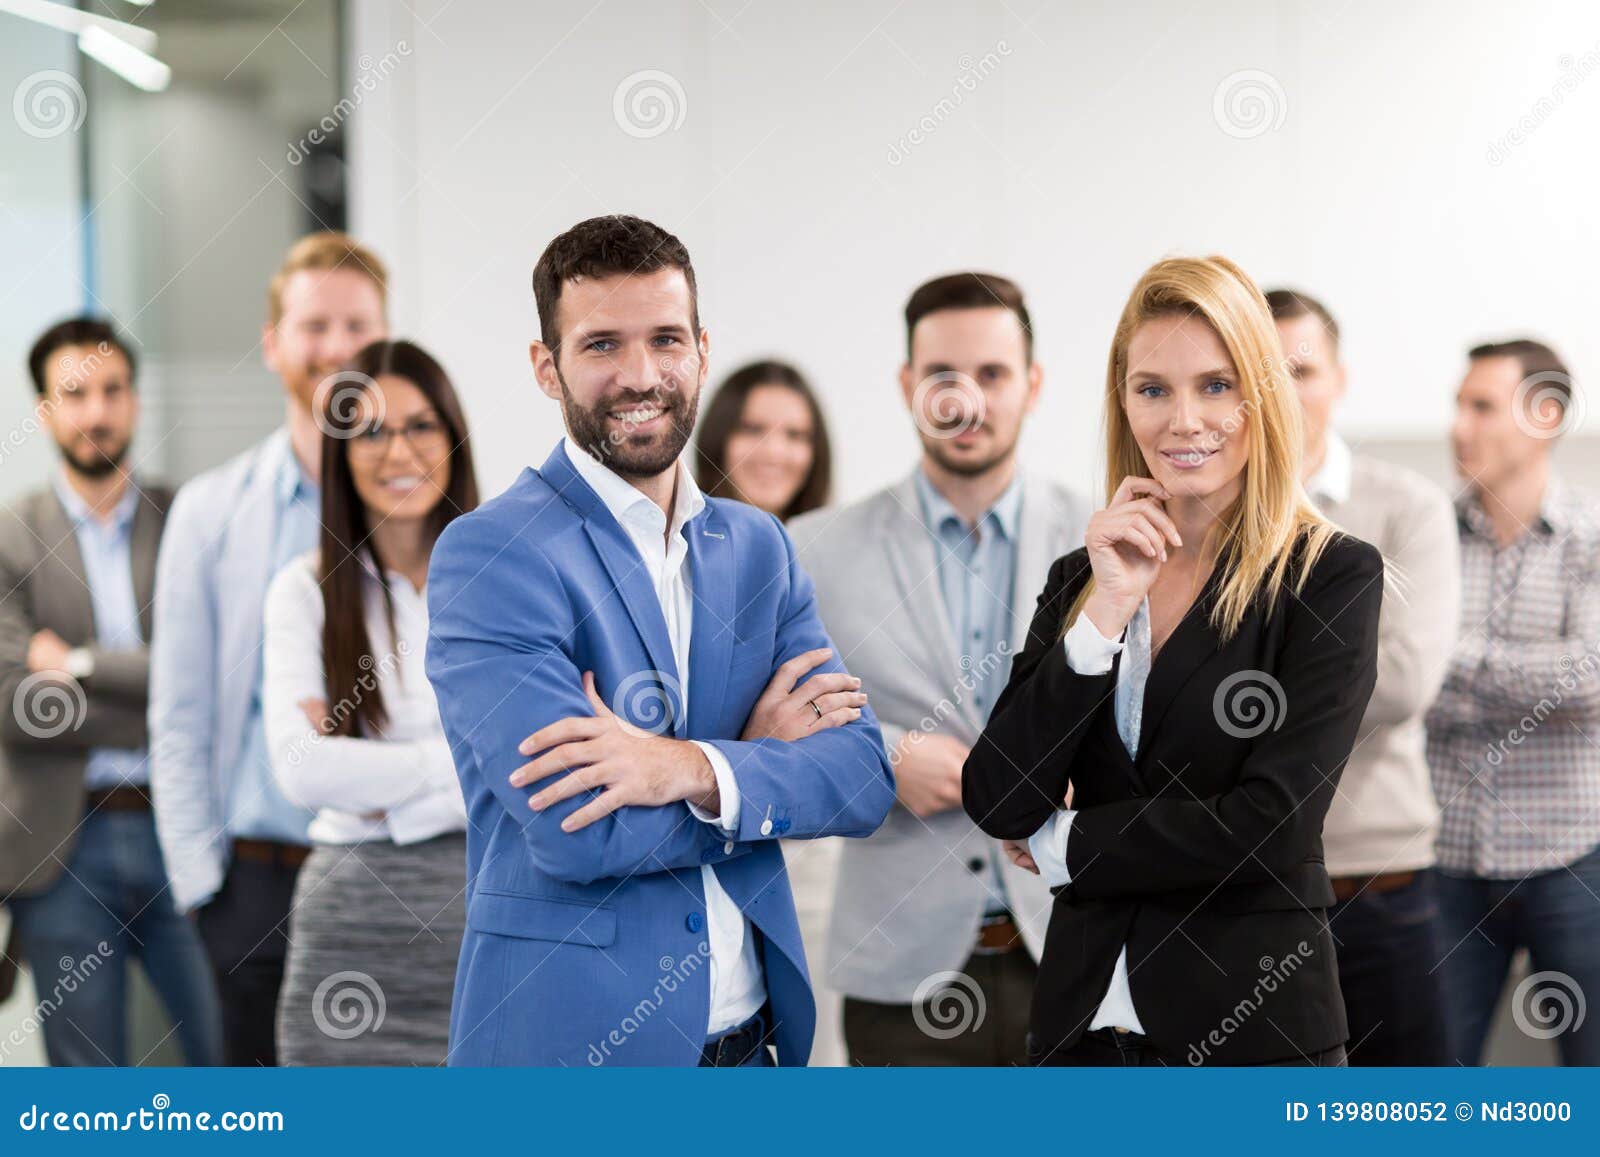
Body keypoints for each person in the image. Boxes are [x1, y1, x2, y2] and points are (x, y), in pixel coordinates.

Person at [424, 214, 895, 1066]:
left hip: (755, 1048)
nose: (641, 376)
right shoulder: (492, 554)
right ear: (546, 365)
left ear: (703, 350)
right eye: (602, 343)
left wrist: (677, 766)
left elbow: (859, 776)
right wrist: (748, 770)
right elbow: (575, 829)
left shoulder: (759, 547)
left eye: (666, 340)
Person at [963, 255, 1384, 1067]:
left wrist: (1067, 845)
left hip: (1252, 1038)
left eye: (1216, 386)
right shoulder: (1083, 577)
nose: (1183, 419)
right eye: (1153, 388)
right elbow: (1000, 796)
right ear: (1124, 401)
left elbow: (1270, 824)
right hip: (1083, 1033)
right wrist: (1106, 611)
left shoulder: (1328, 574)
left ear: (1261, 393)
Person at [788, 272, 1085, 1065]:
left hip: (1078, 951)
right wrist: (881, 754)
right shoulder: (816, 548)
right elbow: (771, 725)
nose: (966, 401)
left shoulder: (1106, 539)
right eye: (941, 377)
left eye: (992, 374)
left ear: (1033, 384)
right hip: (900, 971)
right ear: (906, 385)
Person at [149, 232, 390, 1066]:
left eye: (358, 325)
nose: (336, 346)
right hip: (255, 883)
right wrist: (200, 893)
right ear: (273, 343)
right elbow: (177, 716)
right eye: (314, 324)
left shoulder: (431, 509)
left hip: (395, 871)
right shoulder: (211, 512)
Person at [0, 318, 220, 1065]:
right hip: (65, 845)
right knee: (88, 1084)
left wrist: (81, 664)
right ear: (45, 410)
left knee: (234, 1056)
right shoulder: (8, 537)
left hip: (185, 823)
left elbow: (209, 674)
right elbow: (13, 704)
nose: (97, 411)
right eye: (75, 393)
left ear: (134, 398)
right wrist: (154, 699)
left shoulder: (188, 517)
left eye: (113, 390)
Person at [264, 340, 478, 1065]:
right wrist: (457, 769)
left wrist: (386, 784)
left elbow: (539, 761)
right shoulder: (305, 590)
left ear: (451, 436)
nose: (399, 450)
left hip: (483, 917)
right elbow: (301, 769)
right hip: (349, 923)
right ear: (339, 452)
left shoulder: (508, 585)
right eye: (371, 430)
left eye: (420, 425)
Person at [1267, 288, 1460, 1065]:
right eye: (1259, 373)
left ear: (1339, 378)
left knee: (1404, 1120)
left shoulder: (1407, 507)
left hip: (1376, 886)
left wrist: (1242, 683)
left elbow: (1406, 682)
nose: (1281, 393)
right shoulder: (1204, 512)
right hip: (1251, 891)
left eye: (1300, 370)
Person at [1426, 339, 1600, 1066]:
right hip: (1448, 863)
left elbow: (1586, 679)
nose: (1459, 427)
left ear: (1546, 414)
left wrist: (1451, 658)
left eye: (1482, 406)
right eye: (1458, 406)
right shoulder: (1428, 532)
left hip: (1572, 860)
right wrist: (1519, 680)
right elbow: (1396, 679)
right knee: (1427, 1081)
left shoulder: (1591, 537)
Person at [694, 360, 831, 519]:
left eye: (794, 435)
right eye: (752, 429)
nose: (773, 452)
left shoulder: (832, 540)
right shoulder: (670, 539)